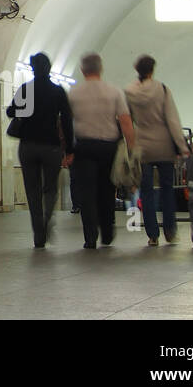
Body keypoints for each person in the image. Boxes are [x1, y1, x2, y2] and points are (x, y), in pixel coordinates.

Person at [67, 53, 137, 250]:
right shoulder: (114, 92)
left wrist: (67, 150)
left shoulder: (74, 93)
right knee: (107, 189)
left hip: (84, 146)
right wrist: (131, 150)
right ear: (101, 69)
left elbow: (65, 122)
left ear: (82, 70)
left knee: (86, 192)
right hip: (108, 147)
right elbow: (125, 121)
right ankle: (107, 231)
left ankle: (90, 236)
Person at [7, 52, 75, 249]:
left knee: (32, 189)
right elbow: (67, 121)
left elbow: (10, 111)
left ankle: (38, 232)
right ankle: (46, 219)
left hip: (28, 146)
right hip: (51, 146)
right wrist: (69, 148)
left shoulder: (26, 90)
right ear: (50, 67)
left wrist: (26, 112)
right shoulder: (57, 91)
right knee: (50, 187)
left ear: (32, 68)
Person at [125, 55, 190, 246]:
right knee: (167, 190)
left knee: (146, 192)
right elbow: (172, 119)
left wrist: (129, 146)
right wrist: (182, 146)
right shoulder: (162, 89)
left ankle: (153, 235)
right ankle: (170, 231)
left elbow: (126, 120)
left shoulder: (129, 92)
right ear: (152, 70)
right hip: (163, 145)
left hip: (142, 145)